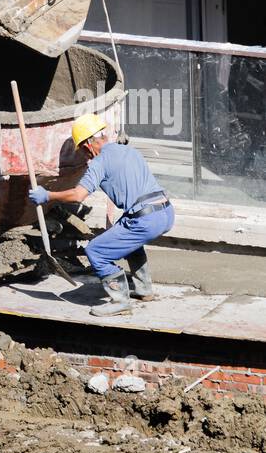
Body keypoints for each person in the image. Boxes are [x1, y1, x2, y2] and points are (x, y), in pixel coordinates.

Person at [29, 112, 174, 316]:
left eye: (81, 149)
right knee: (125, 235)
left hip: (146, 219)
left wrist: (48, 195)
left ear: (88, 144)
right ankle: (144, 288)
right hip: (165, 212)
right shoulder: (129, 151)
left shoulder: (98, 163)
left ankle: (120, 301)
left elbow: (78, 195)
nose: (83, 155)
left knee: (96, 251)